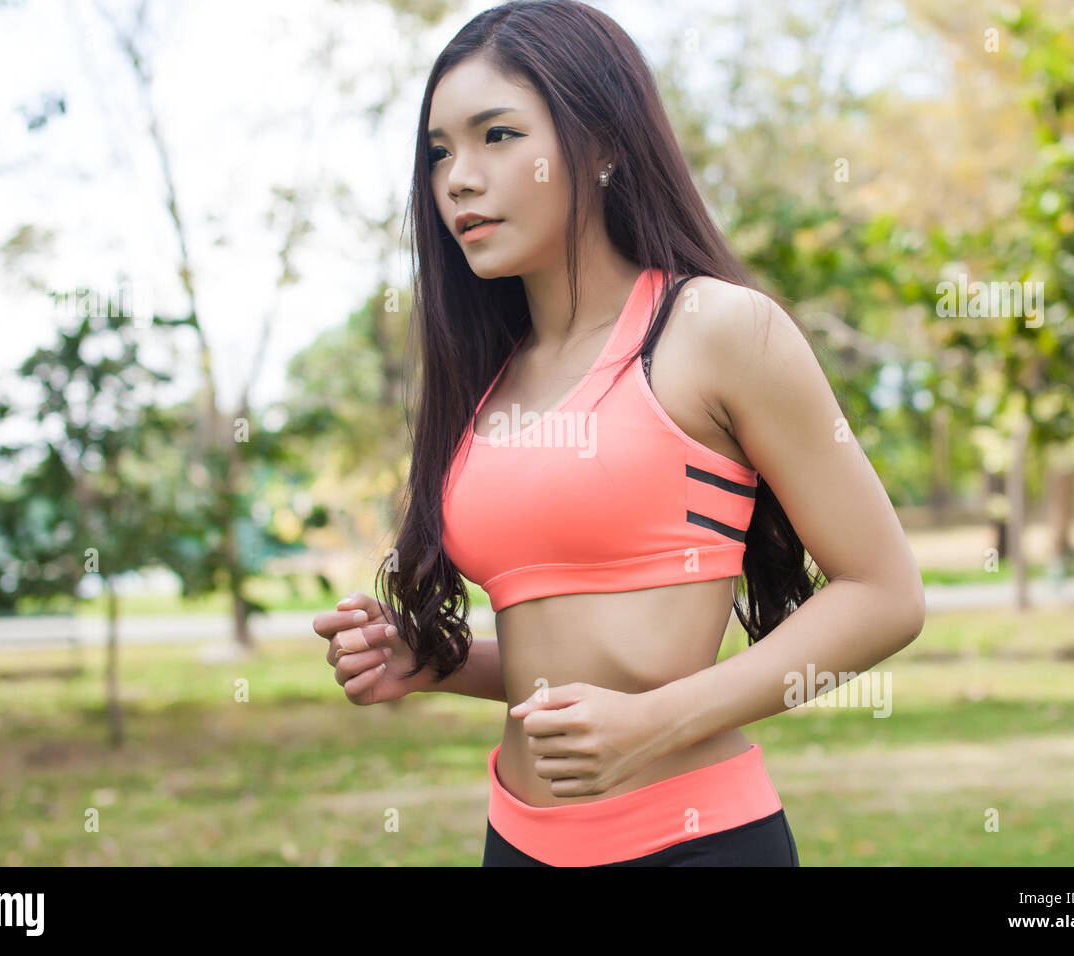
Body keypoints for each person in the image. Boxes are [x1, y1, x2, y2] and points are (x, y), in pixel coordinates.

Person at [313, 0, 925, 867]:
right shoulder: (489, 378)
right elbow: (558, 659)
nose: (457, 178)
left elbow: (887, 596)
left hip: (694, 840)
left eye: (497, 135)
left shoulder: (715, 330)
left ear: (600, 144)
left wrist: (654, 725)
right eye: (440, 150)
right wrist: (432, 660)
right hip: (517, 841)